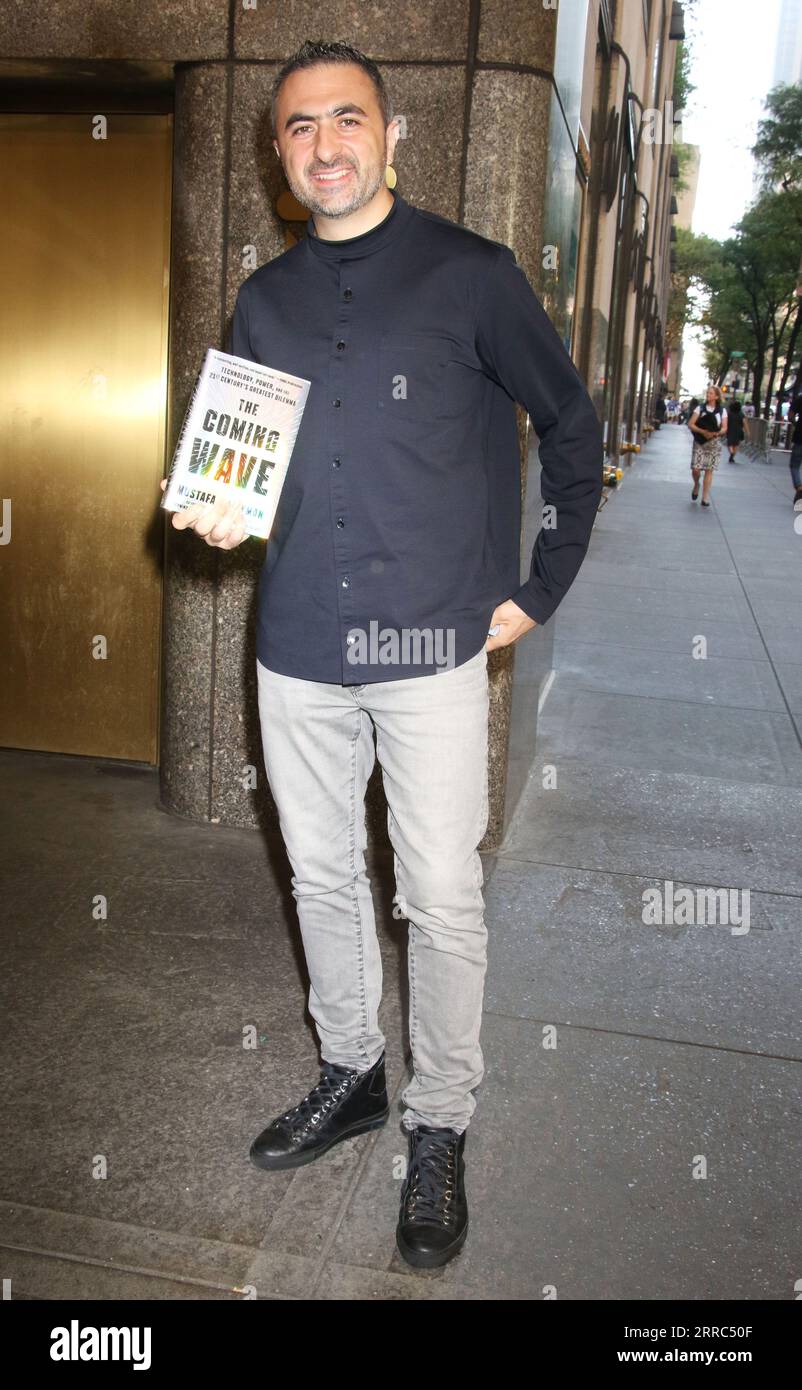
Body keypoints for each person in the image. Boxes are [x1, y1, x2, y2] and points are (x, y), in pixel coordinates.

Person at [161, 39, 602, 1271]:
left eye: (346, 118)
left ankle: (441, 1123)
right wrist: (211, 509)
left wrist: (537, 587)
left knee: (440, 895)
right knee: (319, 876)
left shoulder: (474, 275)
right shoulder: (264, 301)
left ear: (392, 132)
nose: (324, 144)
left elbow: (571, 424)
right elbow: (242, 473)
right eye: (299, 127)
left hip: (425, 644)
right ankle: (351, 1071)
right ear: (279, 152)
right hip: (296, 640)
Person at [688, 386, 727, 506]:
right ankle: (696, 484)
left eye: (711, 393)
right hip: (700, 441)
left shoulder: (722, 411)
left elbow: (725, 428)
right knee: (696, 469)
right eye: (707, 393)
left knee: (709, 470)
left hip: (714, 442)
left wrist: (717, 433)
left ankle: (705, 498)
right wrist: (702, 431)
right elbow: (691, 424)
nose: (708, 395)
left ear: (716, 396)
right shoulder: (700, 408)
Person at [788, 394, 802, 512]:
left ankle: (799, 486)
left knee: (795, 465)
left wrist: (797, 425)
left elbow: (790, 416)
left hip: (800, 437)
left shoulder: (800, 398)